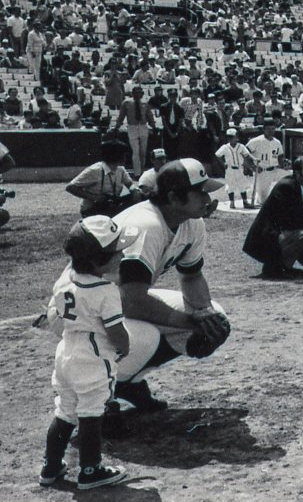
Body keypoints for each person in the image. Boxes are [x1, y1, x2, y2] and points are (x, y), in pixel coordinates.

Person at [39, 159, 231, 415]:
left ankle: (128, 381)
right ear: (174, 197)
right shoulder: (146, 225)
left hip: (115, 298)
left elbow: (192, 277)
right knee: (144, 337)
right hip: (77, 308)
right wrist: (190, 321)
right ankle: (97, 398)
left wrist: (204, 313)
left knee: (215, 315)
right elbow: (132, 302)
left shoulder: (191, 222)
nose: (207, 197)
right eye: (200, 191)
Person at [38, 217, 137, 490]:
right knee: (91, 413)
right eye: (116, 251)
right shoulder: (106, 291)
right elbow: (116, 332)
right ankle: (91, 471)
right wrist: (125, 347)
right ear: (97, 261)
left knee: (65, 410)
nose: (122, 254)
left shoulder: (67, 281)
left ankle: (51, 466)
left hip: (66, 350)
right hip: (91, 355)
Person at [66, 140, 143, 218]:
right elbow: (70, 187)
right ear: (117, 155)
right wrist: (94, 197)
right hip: (93, 210)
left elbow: (130, 184)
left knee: (141, 195)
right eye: (124, 154)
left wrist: (134, 190)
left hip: (110, 206)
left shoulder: (120, 169)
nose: (126, 157)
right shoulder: (95, 170)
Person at [246, 120, 284, 205]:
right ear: (264, 129)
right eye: (268, 129)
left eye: (273, 129)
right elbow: (244, 153)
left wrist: (283, 164)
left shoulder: (277, 142)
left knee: (290, 176)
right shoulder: (256, 141)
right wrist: (251, 166)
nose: (271, 131)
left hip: (274, 170)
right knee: (263, 200)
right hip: (261, 171)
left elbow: (280, 155)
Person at [215, 128, 254, 209]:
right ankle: (232, 203)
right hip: (230, 168)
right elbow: (217, 155)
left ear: (236, 137)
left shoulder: (241, 146)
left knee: (242, 185)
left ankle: (245, 202)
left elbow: (247, 155)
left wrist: (254, 159)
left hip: (239, 168)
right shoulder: (225, 147)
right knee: (230, 185)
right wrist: (223, 163)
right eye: (228, 137)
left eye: (232, 137)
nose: (230, 138)